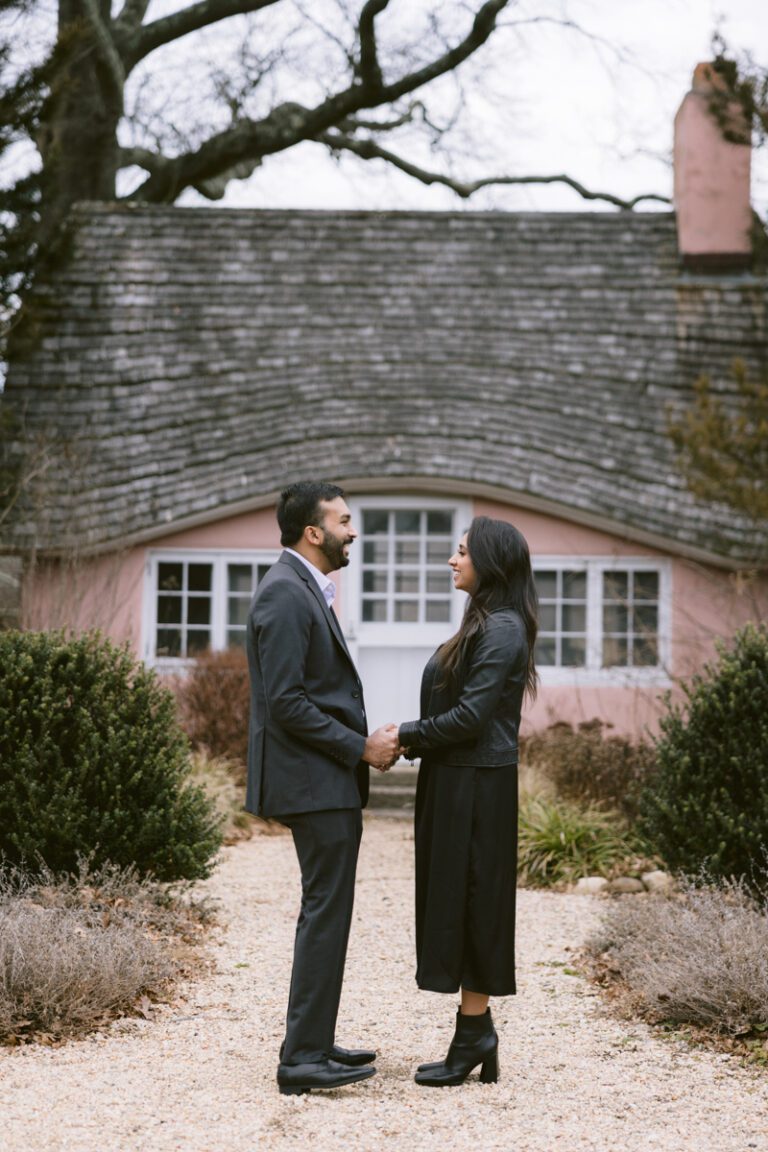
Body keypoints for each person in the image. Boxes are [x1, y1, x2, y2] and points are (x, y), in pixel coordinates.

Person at [245, 481, 400, 1096]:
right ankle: (303, 1059)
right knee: (324, 912)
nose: (351, 531)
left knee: (327, 911)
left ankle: (311, 1041)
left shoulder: (302, 587)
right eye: (343, 520)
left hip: (322, 781)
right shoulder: (286, 593)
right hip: (313, 782)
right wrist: (359, 746)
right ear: (314, 531)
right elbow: (286, 703)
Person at [397, 515, 538, 1088]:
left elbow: (471, 718)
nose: (452, 561)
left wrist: (404, 736)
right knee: (458, 902)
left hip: (479, 786)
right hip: (456, 780)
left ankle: (474, 1034)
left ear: (491, 563)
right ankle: (474, 1032)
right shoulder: (483, 623)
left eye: (462, 552)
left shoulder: (502, 629)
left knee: (477, 904)